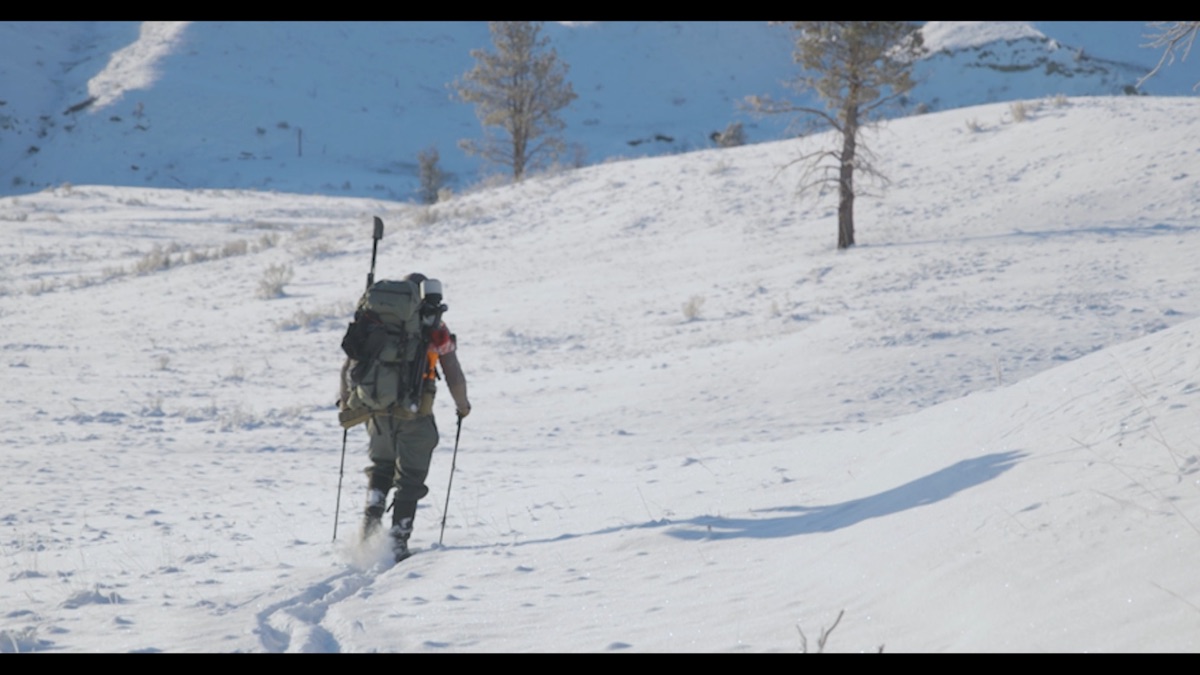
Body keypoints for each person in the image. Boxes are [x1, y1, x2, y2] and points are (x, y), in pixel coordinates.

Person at [338, 272, 471, 561]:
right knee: (411, 476)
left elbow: (349, 364)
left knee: (381, 467)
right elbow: (452, 372)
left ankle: (370, 527)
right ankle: (398, 540)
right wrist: (463, 406)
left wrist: (347, 403)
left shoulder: (373, 322)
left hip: (375, 411)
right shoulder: (433, 326)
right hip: (414, 412)